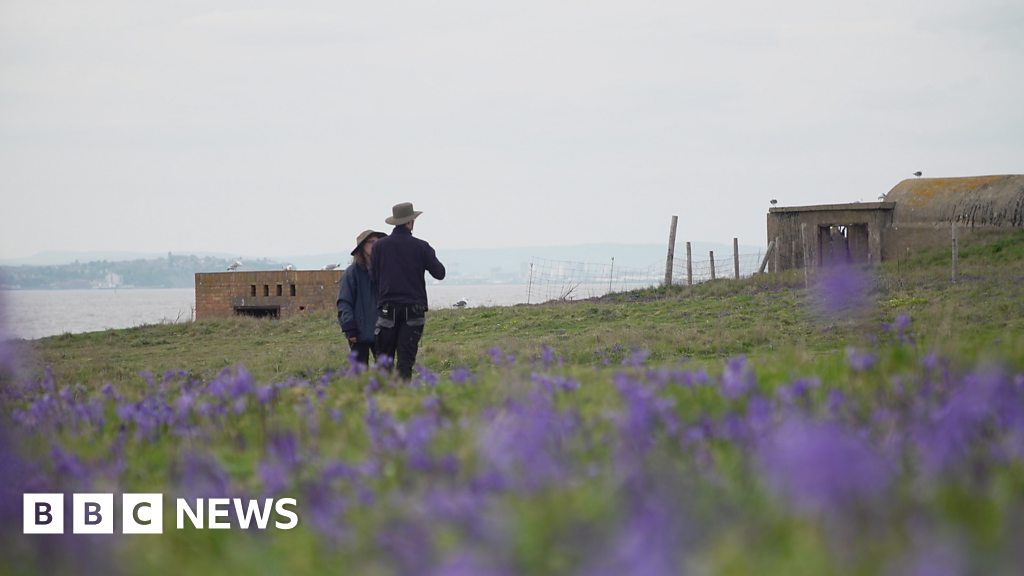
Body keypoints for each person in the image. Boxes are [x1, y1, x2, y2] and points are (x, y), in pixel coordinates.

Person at [371, 202, 446, 380]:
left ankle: (383, 400)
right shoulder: (421, 246)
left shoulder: (379, 247)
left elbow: (374, 277)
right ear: (410, 222)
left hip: (387, 310)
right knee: (405, 362)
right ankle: (404, 400)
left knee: (384, 361)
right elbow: (440, 273)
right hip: (413, 310)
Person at [337, 229, 387, 366]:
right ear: (362, 247)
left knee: (385, 373)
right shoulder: (351, 273)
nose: (375, 245)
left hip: (381, 330)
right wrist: (349, 328)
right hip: (358, 332)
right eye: (371, 242)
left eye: (378, 242)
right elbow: (344, 302)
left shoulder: (384, 270)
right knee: (359, 374)